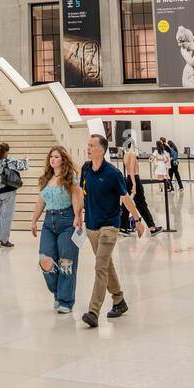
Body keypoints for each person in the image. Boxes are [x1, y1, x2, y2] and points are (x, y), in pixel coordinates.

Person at [79, 134, 143, 329]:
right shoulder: (85, 169)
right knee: (106, 264)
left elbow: (125, 198)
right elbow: (83, 193)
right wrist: (77, 215)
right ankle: (119, 300)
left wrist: (138, 220)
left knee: (100, 266)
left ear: (101, 150)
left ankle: (93, 312)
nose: (88, 148)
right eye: (88, 145)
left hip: (109, 225)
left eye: (91, 145)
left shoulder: (113, 174)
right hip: (91, 225)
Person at [32, 145, 83, 314]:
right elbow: (41, 202)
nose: (52, 159)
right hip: (49, 221)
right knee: (45, 260)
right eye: (51, 157)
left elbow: (76, 197)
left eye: (56, 156)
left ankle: (65, 301)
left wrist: (77, 215)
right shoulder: (46, 179)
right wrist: (34, 220)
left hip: (67, 220)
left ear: (63, 160)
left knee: (66, 262)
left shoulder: (70, 177)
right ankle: (58, 292)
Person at [0, 142, 28, 248]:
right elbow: (23, 167)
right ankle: (4, 240)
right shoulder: (8, 161)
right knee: (6, 217)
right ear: (7, 151)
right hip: (8, 192)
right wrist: (26, 160)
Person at [121, 142, 160, 235]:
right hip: (134, 179)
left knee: (127, 203)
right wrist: (134, 184)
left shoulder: (125, 155)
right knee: (141, 204)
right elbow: (131, 170)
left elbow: (128, 170)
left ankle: (122, 227)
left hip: (128, 179)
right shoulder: (132, 154)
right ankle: (152, 227)